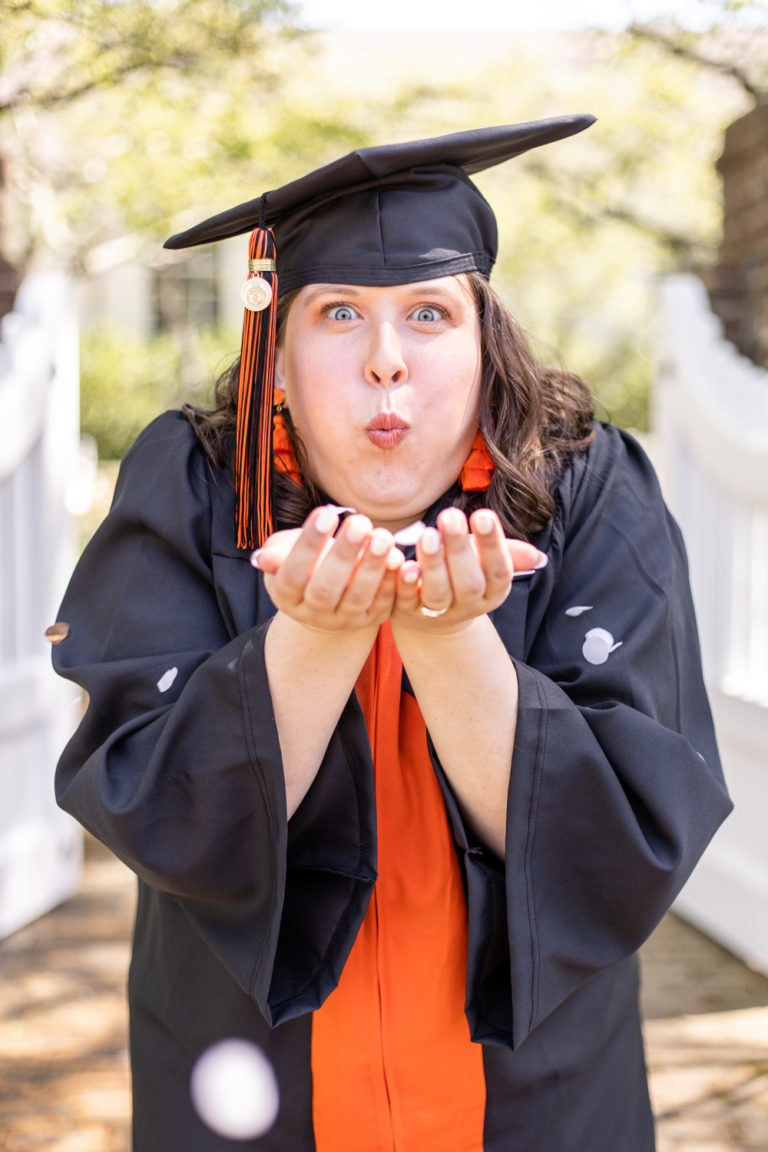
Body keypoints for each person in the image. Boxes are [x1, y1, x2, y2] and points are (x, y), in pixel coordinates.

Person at [50, 115, 732, 1151]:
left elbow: (626, 843)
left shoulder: (588, 486)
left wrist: (455, 642)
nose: (384, 364)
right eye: (336, 314)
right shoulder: (197, 486)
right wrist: (314, 643)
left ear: (485, 342)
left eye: (426, 313)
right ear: (274, 358)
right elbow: (158, 810)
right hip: (249, 1083)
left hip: (531, 1093)